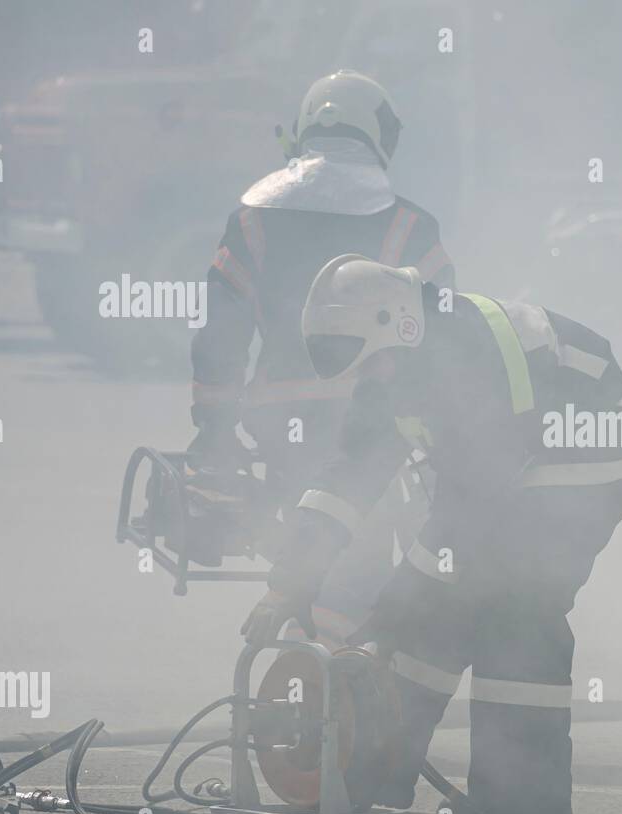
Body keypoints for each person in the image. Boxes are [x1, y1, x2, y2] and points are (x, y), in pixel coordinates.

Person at [242, 256, 622, 814]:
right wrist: (290, 583)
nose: (369, 379)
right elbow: (346, 480)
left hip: (594, 452)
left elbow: (473, 508)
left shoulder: (470, 355)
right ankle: (375, 768)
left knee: (517, 602)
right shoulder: (389, 373)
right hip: (512, 469)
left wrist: (392, 610)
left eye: (375, 364)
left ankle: (521, 802)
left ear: (403, 328)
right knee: (436, 610)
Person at [189, 69, 454, 643]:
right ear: (381, 136)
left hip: (278, 422)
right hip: (377, 418)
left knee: (306, 531)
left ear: (304, 132)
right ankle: (336, 678)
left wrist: (214, 432)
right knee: (360, 546)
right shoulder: (410, 225)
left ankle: (306, 669)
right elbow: (443, 336)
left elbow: (219, 340)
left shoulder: (251, 221)